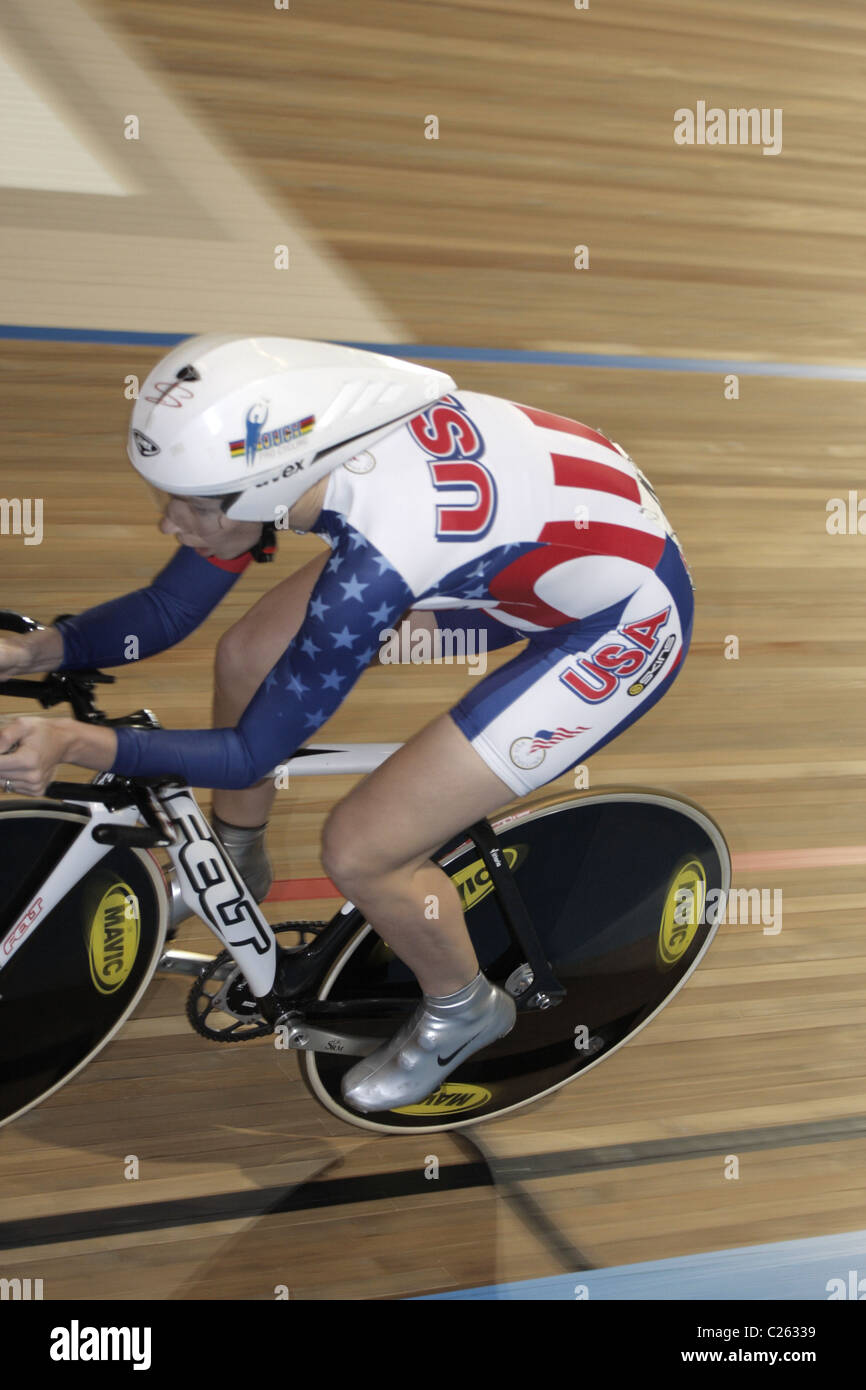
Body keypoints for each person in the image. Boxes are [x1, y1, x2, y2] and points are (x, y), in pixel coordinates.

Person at [0, 334, 694, 1113]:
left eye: (190, 505)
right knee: (249, 657)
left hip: (615, 621)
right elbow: (169, 612)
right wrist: (39, 648)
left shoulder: (376, 559)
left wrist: (80, 744)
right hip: (519, 549)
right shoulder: (300, 457)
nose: (169, 523)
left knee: (363, 849)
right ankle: (234, 859)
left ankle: (464, 1007)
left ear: (267, 485)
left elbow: (252, 749)